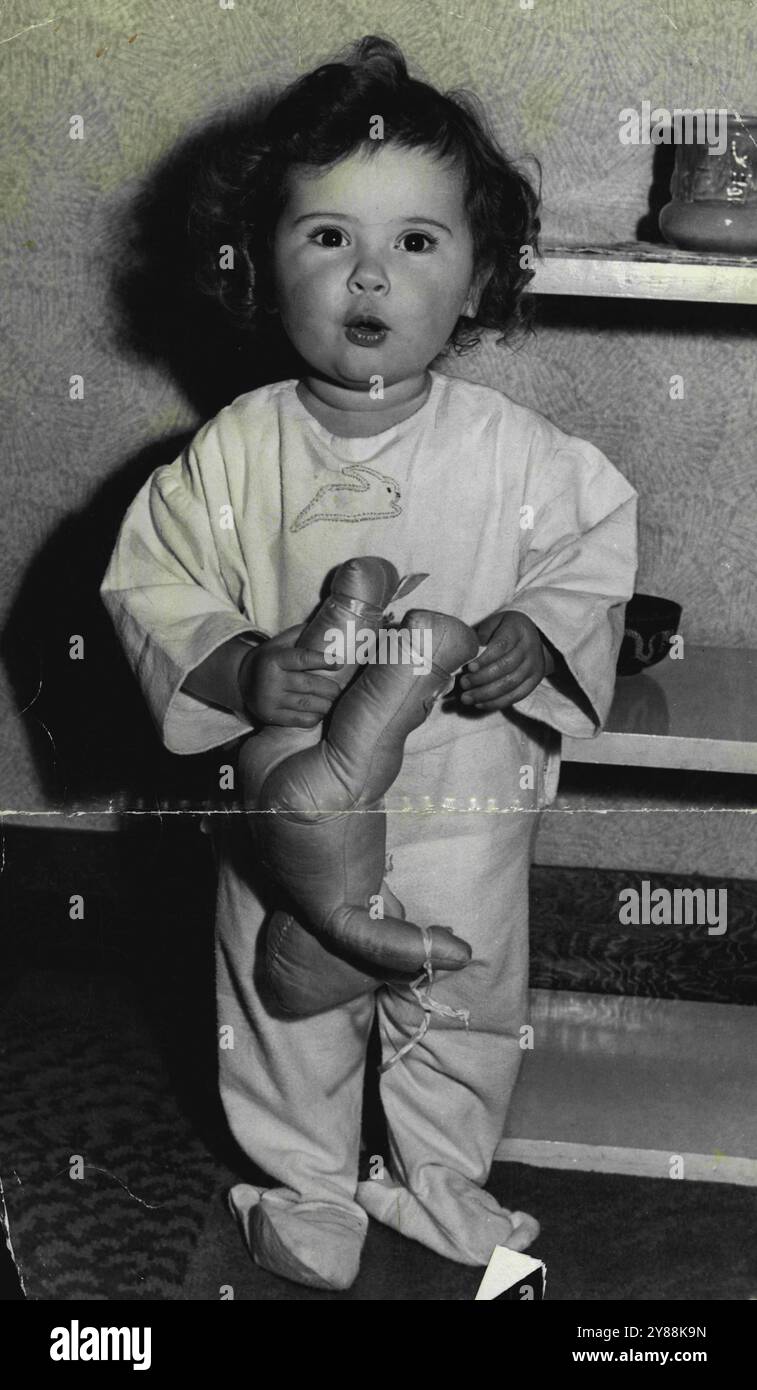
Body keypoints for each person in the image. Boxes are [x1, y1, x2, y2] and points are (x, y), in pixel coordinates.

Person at [101, 35, 638, 1291]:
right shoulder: (234, 456)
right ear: (257, 266)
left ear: (479, 277)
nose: (369, 276)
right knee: (283, 999)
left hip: (463, 797)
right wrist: (236, 670)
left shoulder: (520, 452)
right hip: (292, 815)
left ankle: (440, 1176)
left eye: (416, 242)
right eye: (327, 236)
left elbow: (596, 544)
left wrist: (538, 629)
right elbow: (148, 584)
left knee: (462, 994)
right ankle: (303, 1183)